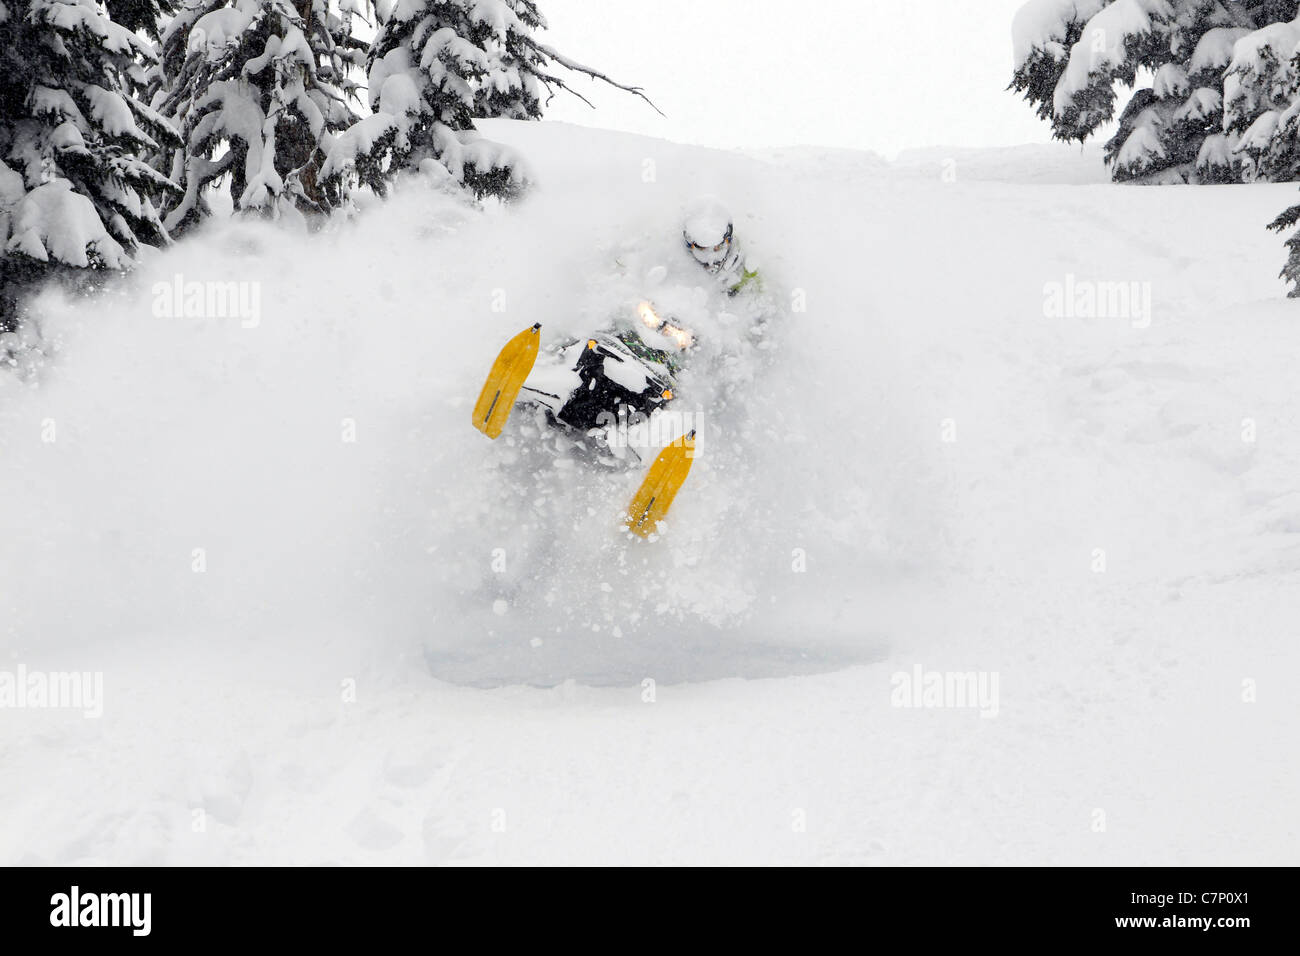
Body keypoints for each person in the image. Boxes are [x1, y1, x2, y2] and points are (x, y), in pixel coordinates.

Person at [681, 196, 761, 297]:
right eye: (702, 248)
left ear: (729, 241)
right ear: (689, 244)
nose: (711, 258)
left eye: (718, 247)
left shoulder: (748, 268)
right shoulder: (676, 268)